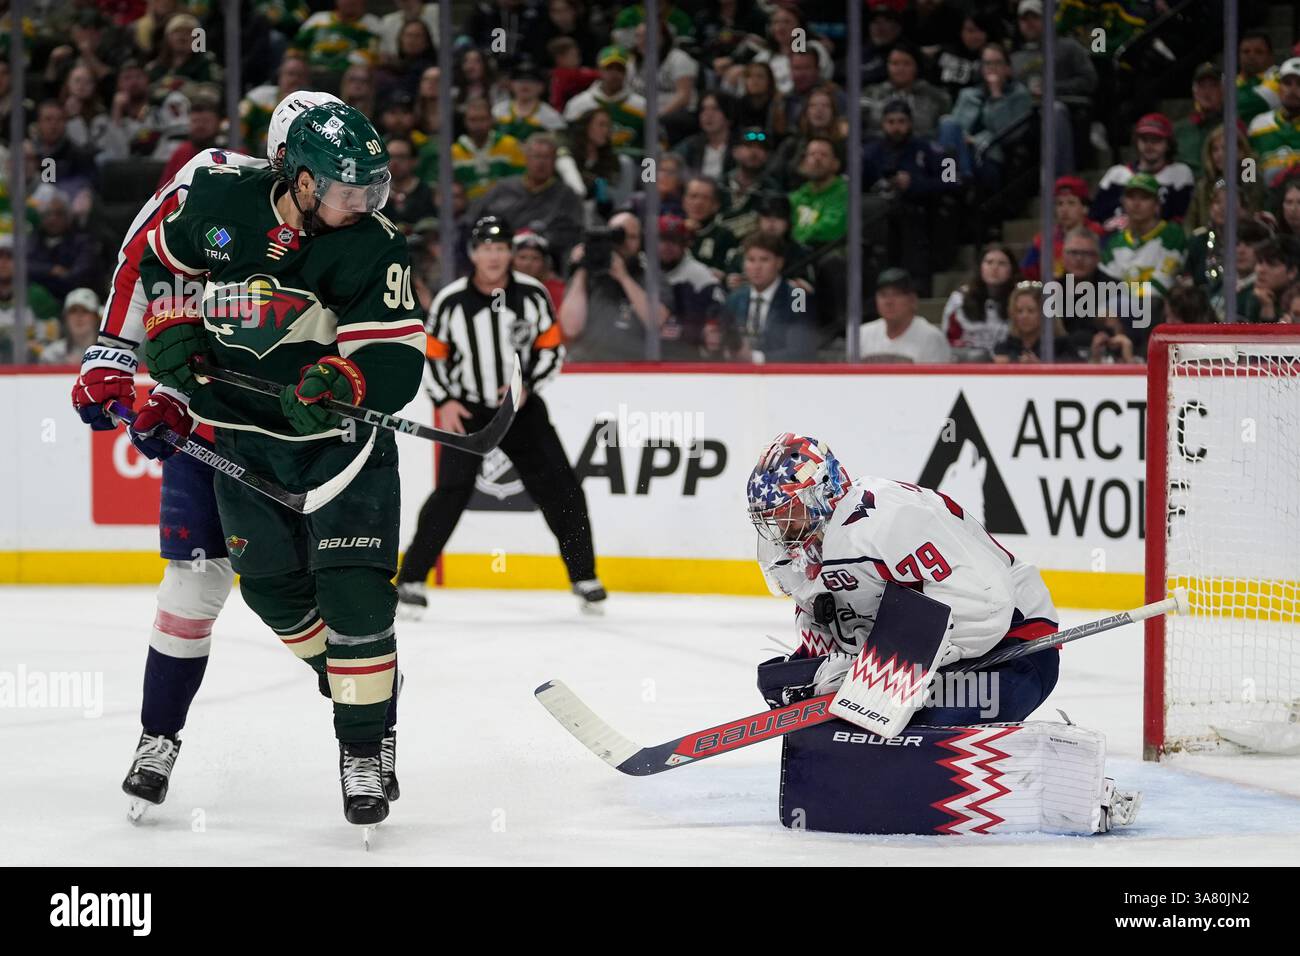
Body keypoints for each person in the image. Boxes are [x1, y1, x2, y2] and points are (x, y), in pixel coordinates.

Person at [131, 101, 425, 828]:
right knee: (270, 593)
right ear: (297, 178)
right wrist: (171, 328)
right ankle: (367, 694)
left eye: (370, 190)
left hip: (341, 455)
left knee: (355, 601)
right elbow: (162, 264)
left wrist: (350, 385)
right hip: (239, 448)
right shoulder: (220, 205)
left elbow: (396, 355)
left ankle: (361, 749)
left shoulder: (374, 247)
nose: (360, 205)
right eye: (344, 191)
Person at [399, 215, 605, 612]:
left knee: (562, 489)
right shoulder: (451, 300)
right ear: (473, 253)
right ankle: (410, 579)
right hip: (468, 411)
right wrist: (444, 401)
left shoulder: (532, 294)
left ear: (511, 252)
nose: (494, 256)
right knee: (450, 493)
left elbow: (551, 349)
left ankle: (584, 576)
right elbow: (434, 355)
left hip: (521, 411)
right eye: (486, 248)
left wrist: (526, 385)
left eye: (501, 248)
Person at [862, 99, 954, 297]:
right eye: (891, 122)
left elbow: (952, 181)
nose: (896, 127)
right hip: (881, 215)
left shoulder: (930, 148)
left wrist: (914, 184)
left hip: (922, 212)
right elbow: (854, 184)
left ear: (910, 123)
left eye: (901, 121)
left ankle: (916, 284)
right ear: (883, 124)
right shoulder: (870, 152)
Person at [469, 133, 583, 267]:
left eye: (547, 157)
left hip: (550, 262)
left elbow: (573, 233)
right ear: (526, 159)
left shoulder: (565, 195)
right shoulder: (503, 189)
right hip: (503, 258)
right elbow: (476, 220)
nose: (541, 162)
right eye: (536, 156)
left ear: (554, 161)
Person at [559, 210, 659, 360]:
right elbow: (570, 329)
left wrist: (623, 277)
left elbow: (656, 322)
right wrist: (582, 268)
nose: (625, 243)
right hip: (587, 364)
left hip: (635, 366)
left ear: (641, 241)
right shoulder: (587, 275)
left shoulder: (650, 275)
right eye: (619, 236)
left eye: (632, 237)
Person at [724, 232, 817, 362]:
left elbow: (801, 352)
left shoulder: (797, 298)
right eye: (751, 260)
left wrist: (754, 358)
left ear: (779, 263)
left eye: (764, 260)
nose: (757, 267)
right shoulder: (734, 298)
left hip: (781, 377)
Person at [1091, 113, 1195, 227]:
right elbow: (1095, 218)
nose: (1149, 145)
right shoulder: (1116, 174)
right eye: (1144, 139)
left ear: (1168, 143)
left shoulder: (1180, 173)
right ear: (1136, 141)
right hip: (1114, 239)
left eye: (1156, 140)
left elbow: (1181, 220)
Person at [1100, 172, 1187, 304]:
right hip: (1121, 311)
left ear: (1157, 204)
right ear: (1123, 202)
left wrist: (1127, 302)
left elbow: (1163, 282)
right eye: (1131, 197)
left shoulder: (1172, 235)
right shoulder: (1114, 243)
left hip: (1159, 308)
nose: (1136, 204)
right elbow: (1107, 286)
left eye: (1144, 198)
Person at [562, 46, 647, 158]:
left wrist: (648, 175)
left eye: (619, 69)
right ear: (599, 69)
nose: (614, 74)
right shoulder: (578, 104)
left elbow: (655, 144)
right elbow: (566, 142)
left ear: (627, 72)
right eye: (609, 68)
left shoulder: (642, 105)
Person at [858, 268, 952, 363]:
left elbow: (936, 377)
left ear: (913, 301)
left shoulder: (931, 337)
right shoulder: (862, 334)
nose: (889, 301)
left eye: (897, 294)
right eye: (883, 295)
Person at [1020, 175, 1104, 280]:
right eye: (1060, 204)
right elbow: (1027, 272)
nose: (1064, 210)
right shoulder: (1044, 240)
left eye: (1071, 203)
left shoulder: (1098, 235)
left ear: (1085, 208)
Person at [943, 243, 1017, 359]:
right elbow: (949, 340)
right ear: (980, 267)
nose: (995, 268)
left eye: (1002, 263)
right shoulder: (959, 299)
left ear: (1012, 269)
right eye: (989, 262)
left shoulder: (1019, 300)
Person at [1247, 58, 1300, 189]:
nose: (1293, 89)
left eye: (1299, 84)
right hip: (1265, 202)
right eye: (1287, 83)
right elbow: (1247, 171)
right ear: (1278, 87)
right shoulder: (1258, 125)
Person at [993, 282, 1074, 363]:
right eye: (1019, 311)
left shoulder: (1062, 346)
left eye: (1031, 311)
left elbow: (1077, 369)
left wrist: (1041, 365)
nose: (1024, 316)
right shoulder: (1004, 347)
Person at [788, 137, 847, 246]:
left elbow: (832, 228)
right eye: (812, 154)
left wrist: (797, 240)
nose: (817, 158)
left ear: (836, 164)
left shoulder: (844, 193)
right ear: (804, 163)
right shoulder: (798, 195)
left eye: (824, 155)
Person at [682, 175, 740, 282]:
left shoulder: (725, 236)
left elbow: (731, 272)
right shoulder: (672, 232)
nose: (698, 203)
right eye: (693, 196)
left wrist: (724, 276)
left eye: (705, 198)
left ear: (716, 205)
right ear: (684, 201)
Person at [493, 59, 567, 143]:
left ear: (541, 86)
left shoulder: (551, 116)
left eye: (531, 81)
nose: (525, 84)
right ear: (511, 85)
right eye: (520, 80)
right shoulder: (498, 110)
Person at [1174, 63, 1224, 179]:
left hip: (1222, 190)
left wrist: (1248, 188)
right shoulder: (1179, 130)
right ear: (1194, 92)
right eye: (1202, 86)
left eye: (1213, 86)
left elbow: (1250, 162)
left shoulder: (1235, 127)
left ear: (1223, 91)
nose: (1207, 92)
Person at [40, 287, 101, 365]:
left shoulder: (109, 352)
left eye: (85, 311)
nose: (79, 316)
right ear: (65, 318)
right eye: (73, 311)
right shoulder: (51, 355)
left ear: (96, 318)